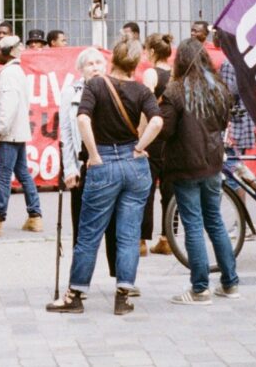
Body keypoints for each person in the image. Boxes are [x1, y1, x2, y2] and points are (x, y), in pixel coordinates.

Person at [46, 38, 163, 316]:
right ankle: (123, 295)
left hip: (104, 163)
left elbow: (82, 119)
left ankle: (75, 294)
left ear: (113, 61)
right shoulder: (142, 91)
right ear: (136, 64)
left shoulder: (95, 85)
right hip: (134, 165)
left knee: (88, 234)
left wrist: (93, 154)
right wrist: (140, 146)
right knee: (128, 233)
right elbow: (157, 121)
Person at [158, 38, 240, 303]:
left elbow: (166, 130)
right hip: (213, 163)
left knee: (192, 224)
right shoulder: (219, 88)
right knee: (215, 221)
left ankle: (200, 288)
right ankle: (229, 283)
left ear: (179, 60)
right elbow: (224, 120)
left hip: (185, 165)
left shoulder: (174, 90)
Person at [0, 34, 42, 237]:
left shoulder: (9, 74)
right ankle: (35, 216)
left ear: (8, 52)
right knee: (23, 174)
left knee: (4, 176)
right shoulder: (15, 72)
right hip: (18, 132)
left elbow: (8, 106)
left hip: (9, 133)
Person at [59, 48, 115, 275]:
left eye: (98, 63)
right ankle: (79, 279)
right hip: (83, 165)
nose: (95, 67)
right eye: (89, 64)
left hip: (110, 163)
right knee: (82, 225)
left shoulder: (113, 88)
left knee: (115, 225)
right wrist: (70, 168)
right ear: (81, 69)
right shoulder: (71, 91)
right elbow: (66, 132)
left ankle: (120, 278)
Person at [140, 33, 174, 257]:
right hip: (173, 137)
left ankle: (141, 240)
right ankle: (167, 238)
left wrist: (141, 137)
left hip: (155, 137)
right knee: (171, 190)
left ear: (151, 51)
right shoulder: (177, 73)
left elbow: (147, 107)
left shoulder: (150, 73)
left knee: (146, 189)